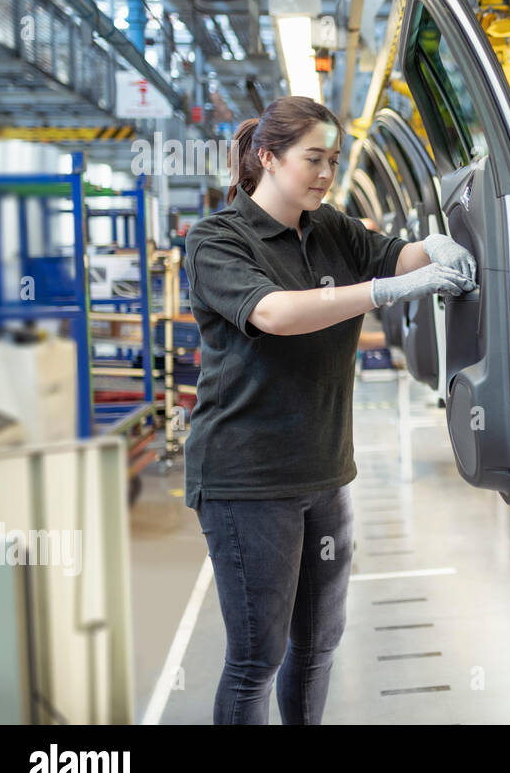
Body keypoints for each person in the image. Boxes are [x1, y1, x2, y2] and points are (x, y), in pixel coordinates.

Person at [182, 95, 476, 724]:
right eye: (312, 158)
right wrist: (386, 291)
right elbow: (275, 314)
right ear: (267, 157)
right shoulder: (217, 240)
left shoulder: (330, 226)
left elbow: (397, 257)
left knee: (317, 646)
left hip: (323, 472)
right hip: (246, 479)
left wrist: (438, 248)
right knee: (256, 659)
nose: (326, 173)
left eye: (334, 160)